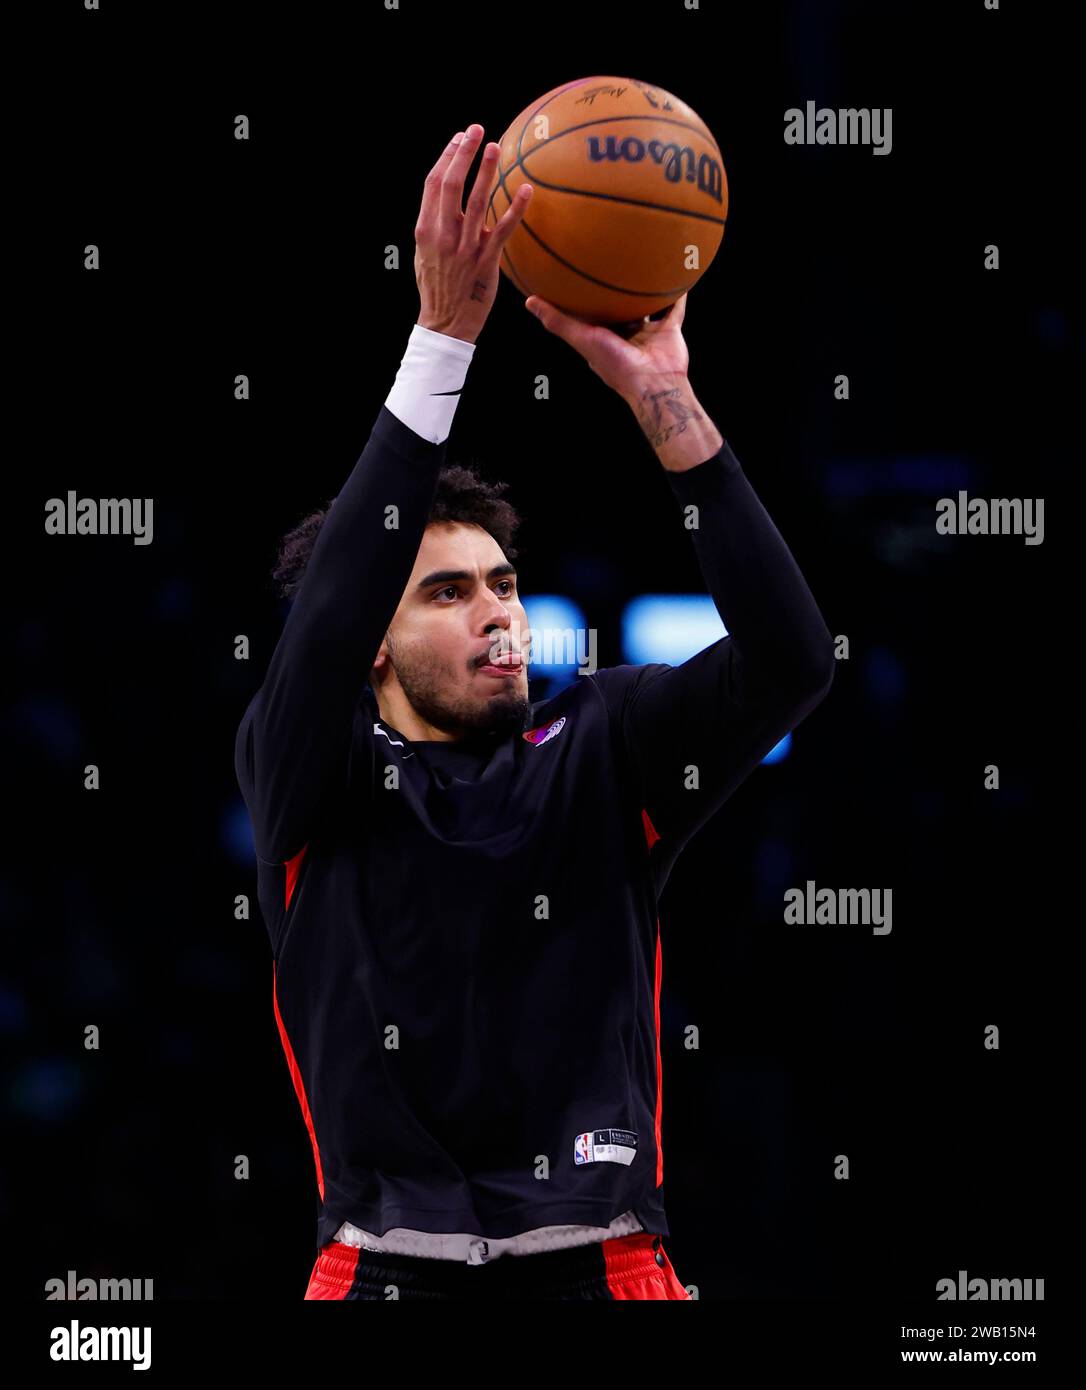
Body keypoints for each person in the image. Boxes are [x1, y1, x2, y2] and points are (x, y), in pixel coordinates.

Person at [234, 123, 834, 1300]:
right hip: (382, 1268)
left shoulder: (604, 741)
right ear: (370, 646)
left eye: (503, 583)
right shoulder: (313, 772)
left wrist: (667, 401)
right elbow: (323, 624)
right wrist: (441, 343)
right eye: (448, 592)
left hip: (603, 1257)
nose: (498, 613)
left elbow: (793, 660)